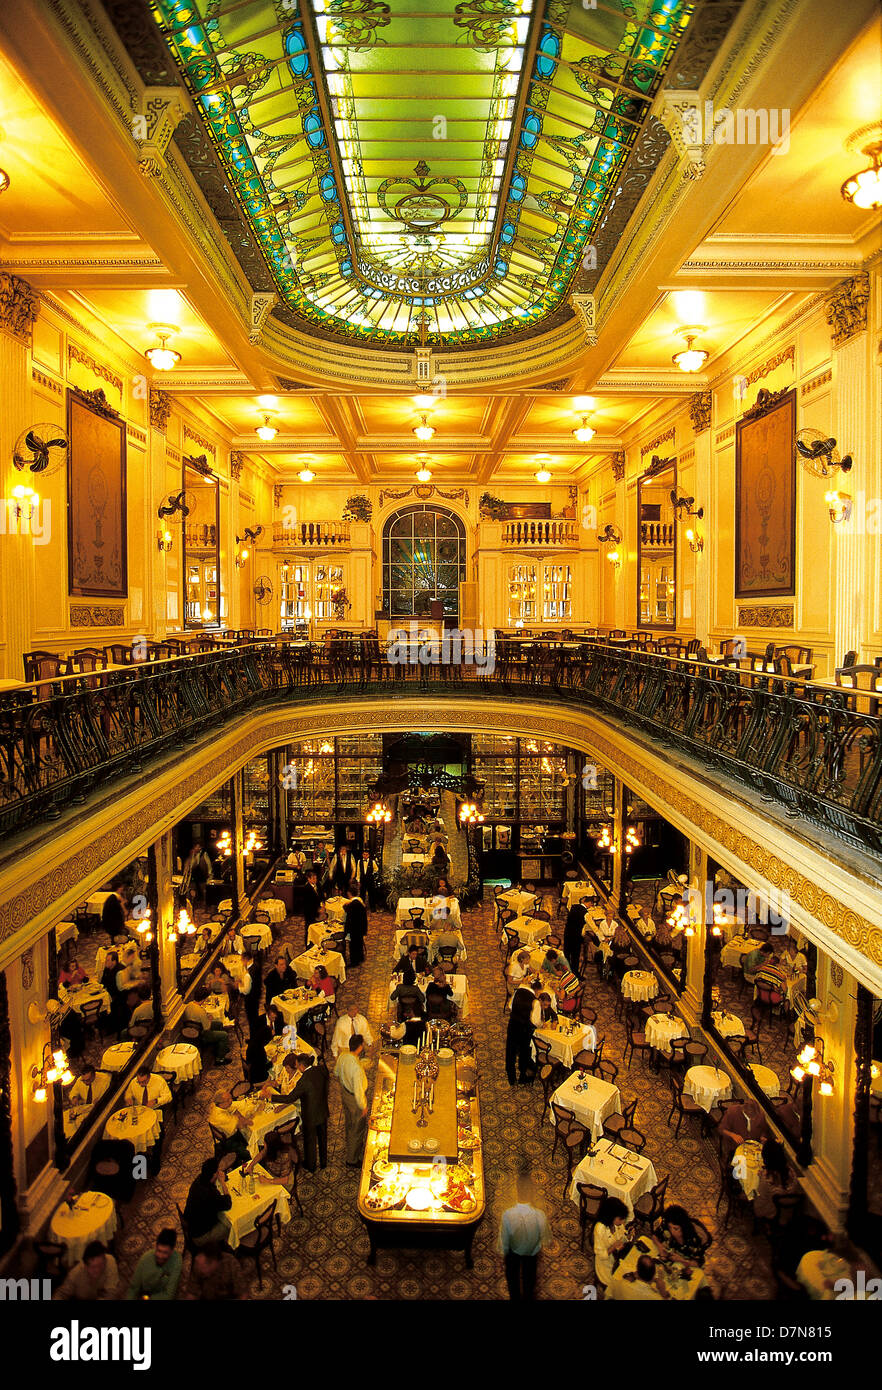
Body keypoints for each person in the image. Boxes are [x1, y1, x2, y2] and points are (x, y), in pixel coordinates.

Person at [497, 1168, 551, 1301]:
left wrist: (503, 1251)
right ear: (532, 1192)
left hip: (513, 1253)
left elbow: (504, 1241)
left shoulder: (508, 1215)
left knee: (512, 1279)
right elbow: (546, 1240)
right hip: (532, 1254)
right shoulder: (540, 1215)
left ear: (517, 1191)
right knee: (529, 1280)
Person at [288, 1054, 329, 1171]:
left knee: (310, 1142)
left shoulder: (303, 1081)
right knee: (322, 1139)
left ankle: (311, 1166)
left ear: (301, 1066)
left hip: (310, 1116)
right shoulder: (320, 1070)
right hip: (322, 1111)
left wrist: (271, 1097)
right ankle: (323, 1162)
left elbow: (289, 1098)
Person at [183, 1156, 234, 1247]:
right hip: (200, 1236)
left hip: (192, 1225)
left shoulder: (198, 1180)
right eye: (218, 1171)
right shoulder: (210, 1193)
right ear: (214, 1174)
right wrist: (222, 1182)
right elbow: (228, 1203)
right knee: (232, 1227)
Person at [334, 1034, 368, 1166]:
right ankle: (352, 1159)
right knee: (357, 1129)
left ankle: (350, 1144)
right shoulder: (357, 1069)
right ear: (360, 1047)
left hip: (345, 1094)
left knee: (349, 1122)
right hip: (354, 1100)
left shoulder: (343, 1055)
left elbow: (336, 1072)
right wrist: (363, 1106)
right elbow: (359, 1091)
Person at [125, 1228, 182, 1301]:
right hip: (145, 1293)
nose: (160, 1256)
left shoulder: (177, 1260)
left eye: (165, 1252)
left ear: (172, 1251)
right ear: (156, 1246)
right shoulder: (145, 1259)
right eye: (159, 1250)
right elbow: (133, 1287)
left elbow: (169, 1295)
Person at [53, 1240, 120, 1301]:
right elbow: (61, 1293)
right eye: (93, 1267)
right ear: (85, 1266)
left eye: (101, 1265)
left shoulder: (110, 1261)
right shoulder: (75, 1274)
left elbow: (111, 1292)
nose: (98, 1270)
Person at [505, 979, 542, 1086]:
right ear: (537, 990)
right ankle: (522, 1075)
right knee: (524, 1052)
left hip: (512, 1025)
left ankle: (511, 1077)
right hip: (524, 1030)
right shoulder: (535, 1002)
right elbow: (535, 1021)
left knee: (510, 1050)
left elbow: (510, 1006)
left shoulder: (518, 991)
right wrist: (541, 1024)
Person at [184, 985, 230, 1063]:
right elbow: (207, 1028)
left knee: (218, 1024)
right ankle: (220, 1059)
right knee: (224, 1035)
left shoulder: (188, 1005)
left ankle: (220, 1047)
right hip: (201, 1033)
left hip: (192, 1028)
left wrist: (206, 1018)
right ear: (204, 998)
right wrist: (209, 1019)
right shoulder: (201, 1011)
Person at [753, 1139, 798, 1221]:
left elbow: (759, 1201)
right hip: (789, 1212)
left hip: (772, 1213)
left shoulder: (766, 1179)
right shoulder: (791, 1172)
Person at [593, 1196, 632, 1286]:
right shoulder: (600, 1229)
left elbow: (622, 1237)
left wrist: (628, 1236)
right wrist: (613, 1247)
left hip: (617, 1257)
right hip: (605, 1263)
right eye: (620, 1219)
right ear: (611, 1216)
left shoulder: (618, 1224)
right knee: (621, 1284)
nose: (622, 1222)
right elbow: (601, 1255)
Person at [343, 887, 368, 967]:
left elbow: (349, 919)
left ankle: (354, 962)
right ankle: (360, 957)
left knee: (353, 946)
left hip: (354, 929)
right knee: (359, 943)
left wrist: (346, 931)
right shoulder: (360, 902)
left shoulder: (352, 904)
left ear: (349, 893)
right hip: (360, 927)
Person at [563, 899, 588, 976]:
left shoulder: (574, 906)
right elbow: (586, 924)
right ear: (588, 903)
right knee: (575, 956)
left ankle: (565, 971)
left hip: (567, 933)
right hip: (576, 937)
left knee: (566, 953)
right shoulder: (585, 913)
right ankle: (574, 973)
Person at [301, 870, 322, 939]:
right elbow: (307, 904)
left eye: (316, 878)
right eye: (313, 879)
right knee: (309, 927)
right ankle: (308, 942)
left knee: (317, 928)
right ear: (309, 879)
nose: (315, 880)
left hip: (317, 910)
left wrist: (322, 904)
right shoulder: (306, 889)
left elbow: (321, 895)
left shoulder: (318, 885)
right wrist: (317, 909)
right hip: (309, 912)